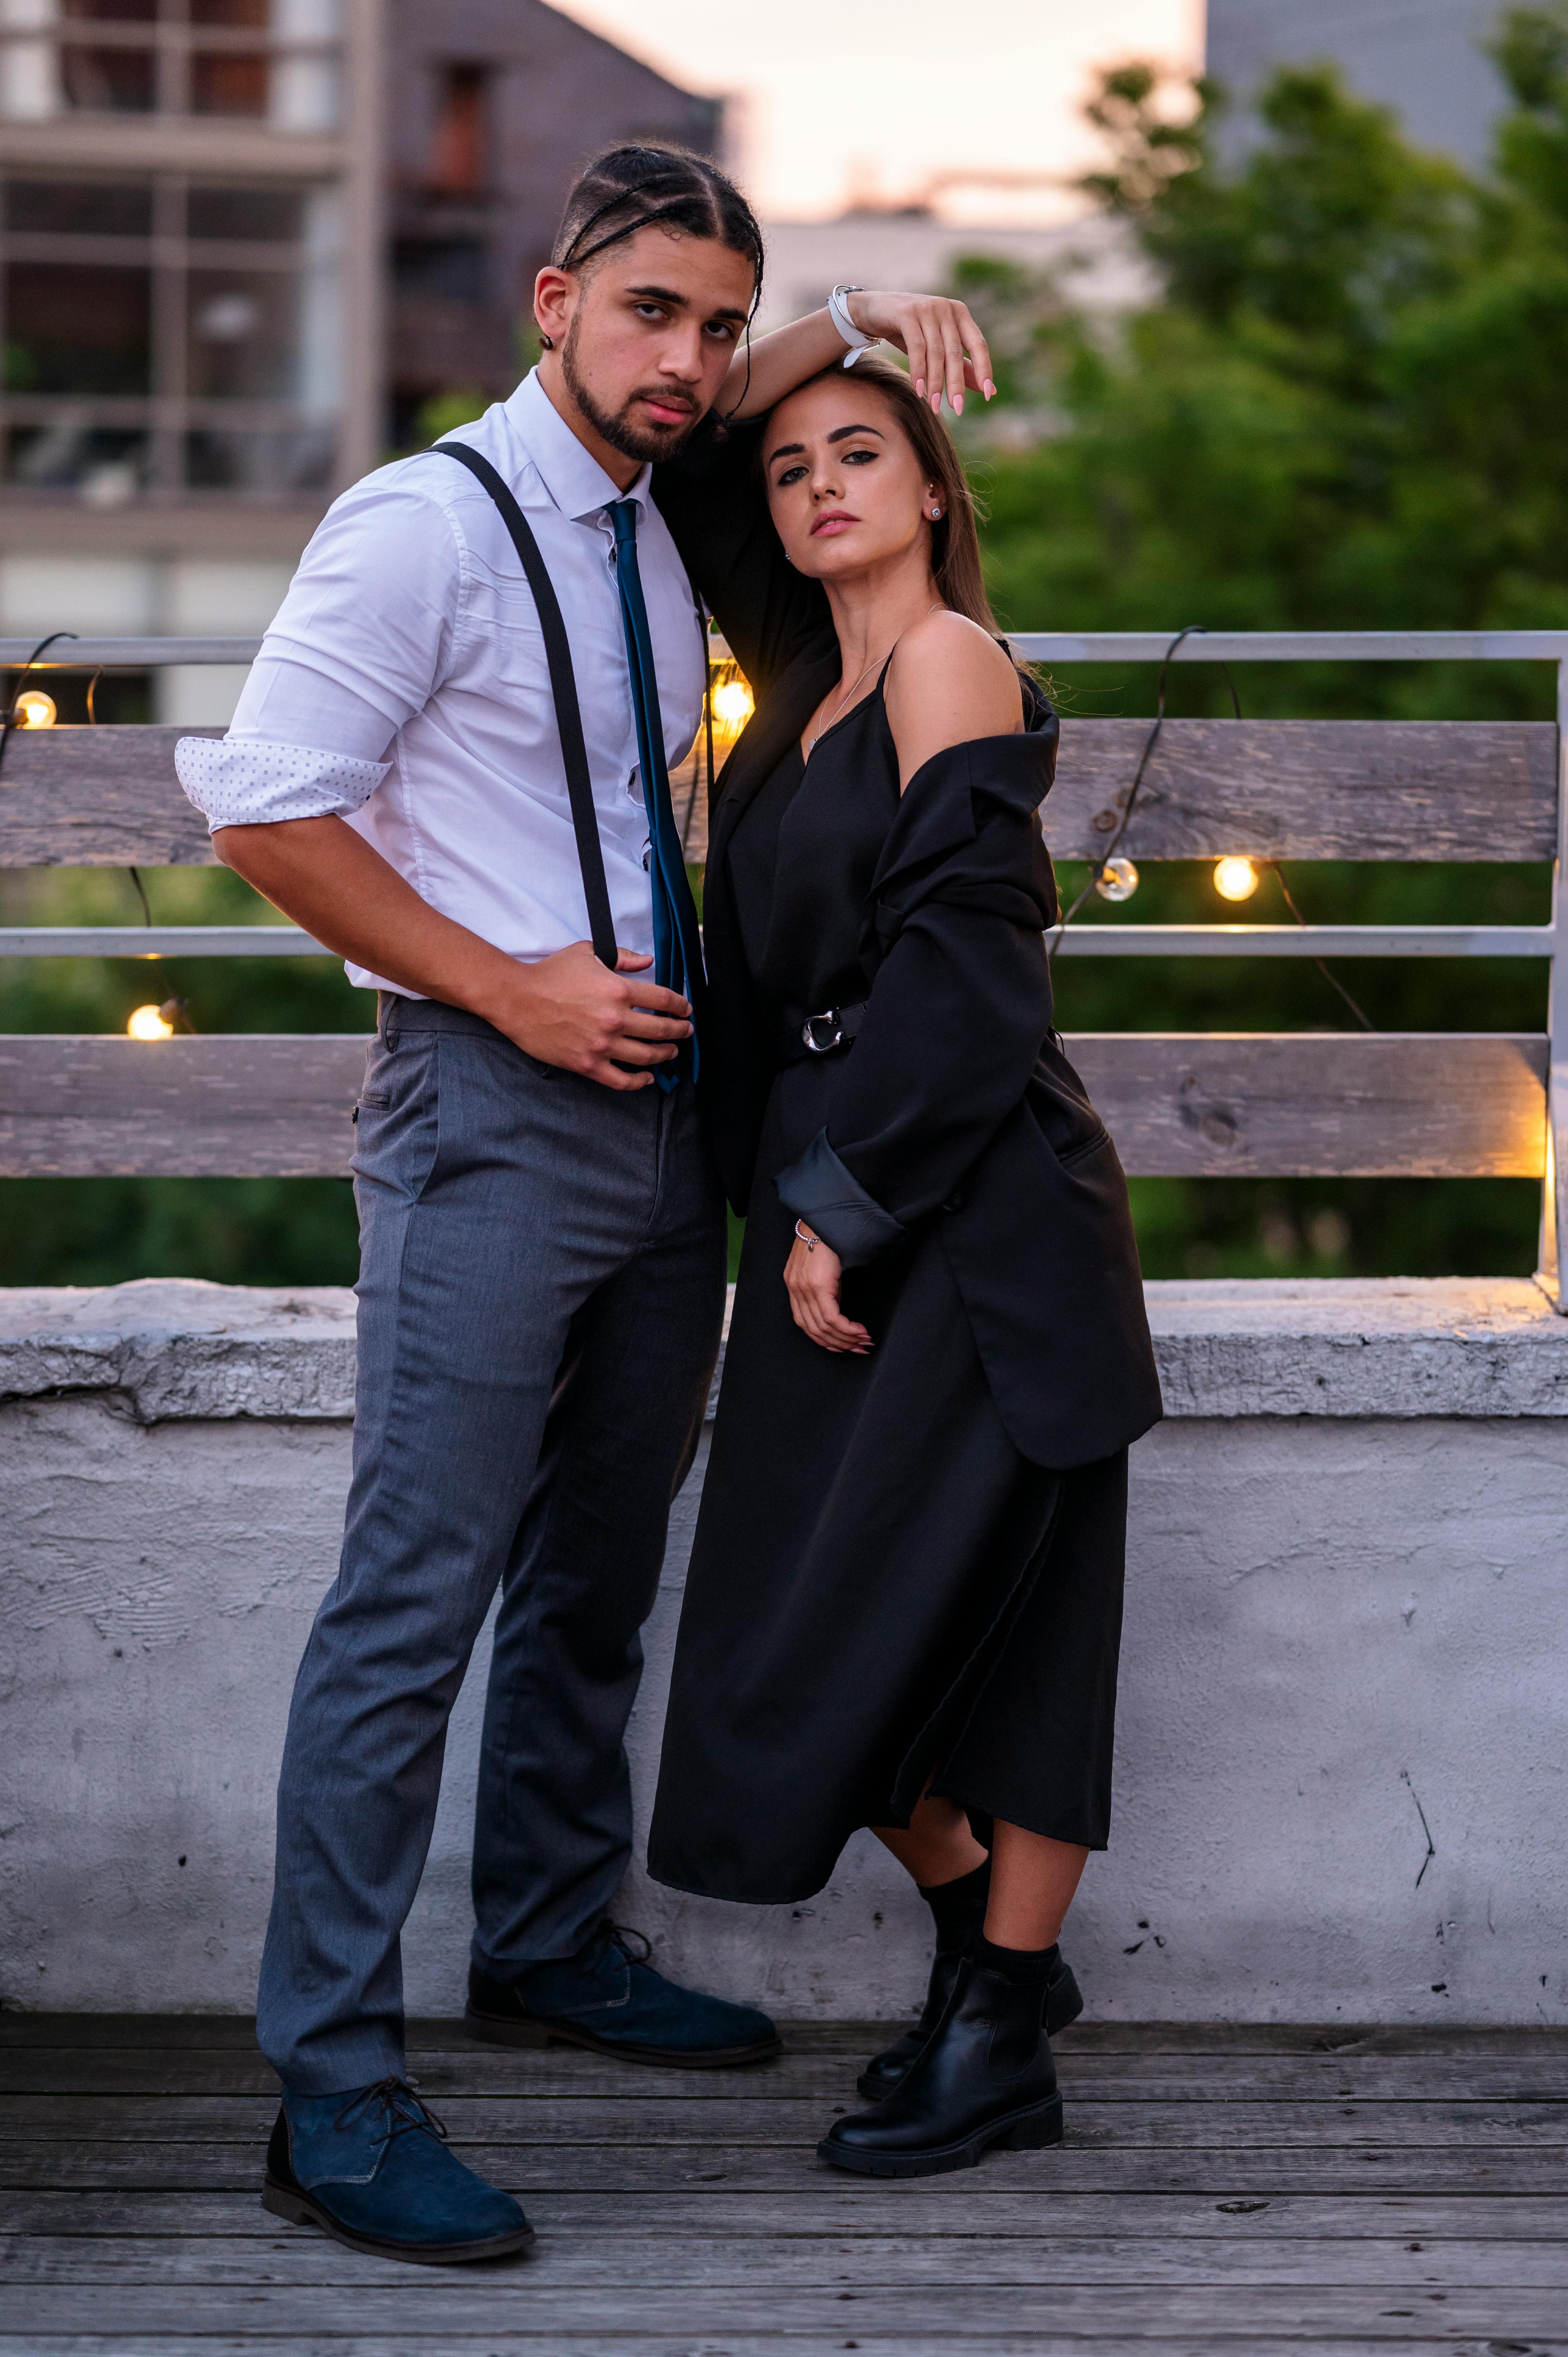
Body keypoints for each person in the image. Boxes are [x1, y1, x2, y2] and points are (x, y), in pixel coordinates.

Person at [174, 140, 996, 2265]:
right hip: (485, 1106)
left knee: (598, 1574)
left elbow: (786, 422)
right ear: (551, 297)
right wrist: (507, 990)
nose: (690, 359)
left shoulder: (658, 522)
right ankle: (331, 2095)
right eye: (650, 311)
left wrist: (833, 333)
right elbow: (264, 806)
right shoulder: (419, 525)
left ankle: (545, 1934)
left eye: (718, 325)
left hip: (663, 1123)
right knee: (412, 1597)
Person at [644, 350, 1164, 2178]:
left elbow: (973, 973)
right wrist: (844, 317)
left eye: (863, 454)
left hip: (967, 1202)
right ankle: (989, 1969)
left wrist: (847, 1204)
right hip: (828, 1187)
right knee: (805, 1640)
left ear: (937, 488)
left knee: (1009, 1632)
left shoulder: (947, 662)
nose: (815, 487)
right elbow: (692, 448)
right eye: (795, 473)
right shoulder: (796, 689)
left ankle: (1001, 2024)